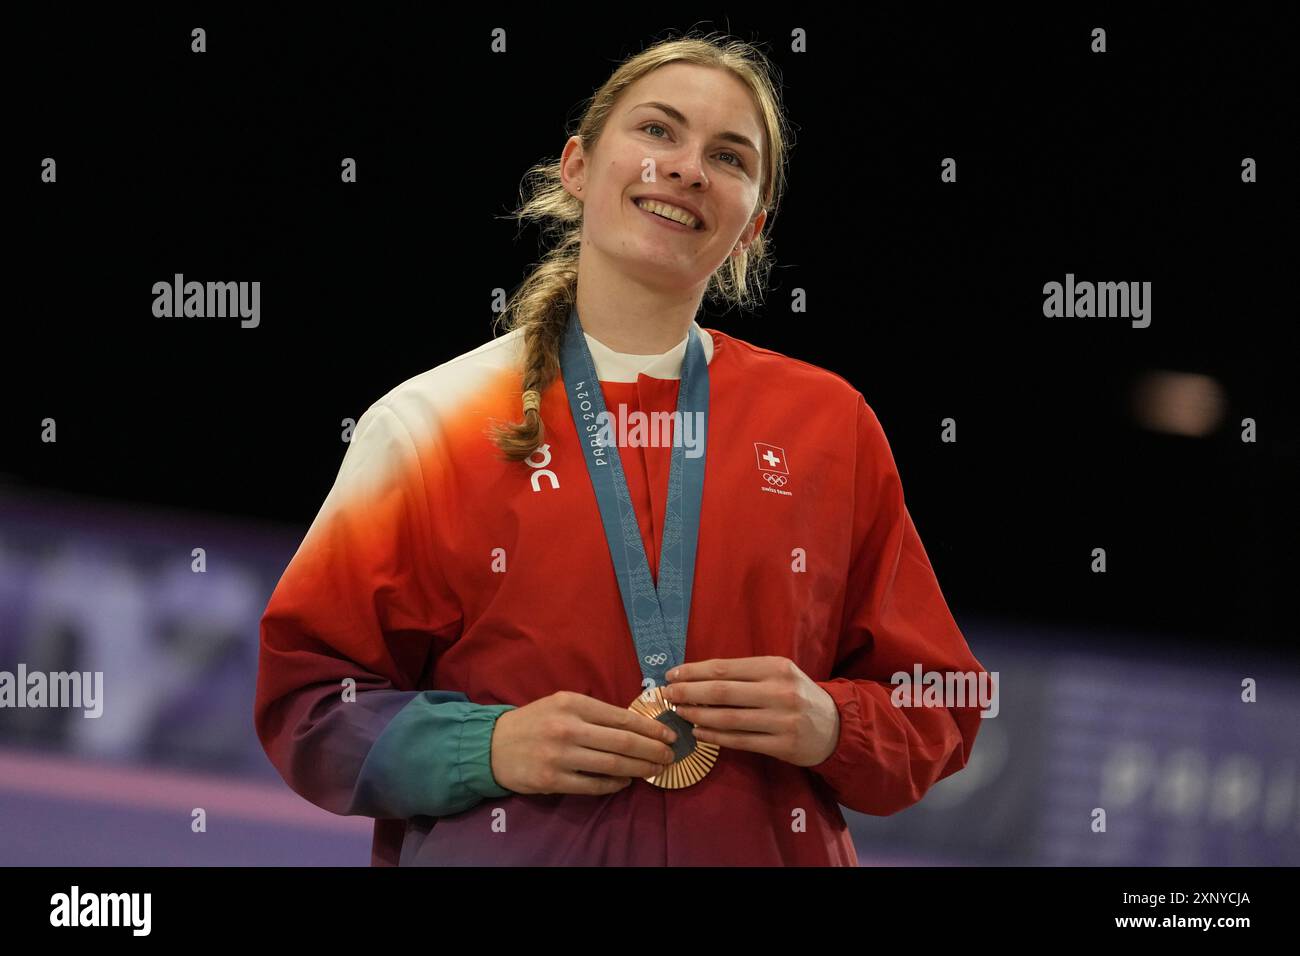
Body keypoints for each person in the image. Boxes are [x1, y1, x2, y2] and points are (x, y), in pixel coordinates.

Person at [254, 32, 989, 866]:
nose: (686, 167)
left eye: (729, 156)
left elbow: (940, 704)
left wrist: (832, 724)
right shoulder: (433, 421)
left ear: (753, 225)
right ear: (576, 166)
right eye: (657, 131)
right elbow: (308, 703)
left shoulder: (828, 425)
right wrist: (486, 747)